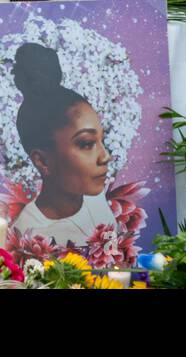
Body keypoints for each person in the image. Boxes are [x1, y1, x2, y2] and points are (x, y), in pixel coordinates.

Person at [10, 43, 115, 246]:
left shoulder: (98, 203)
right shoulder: (29, 235)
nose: (105, 156)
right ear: (42, 161)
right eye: (86, 143)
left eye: (103, 140)